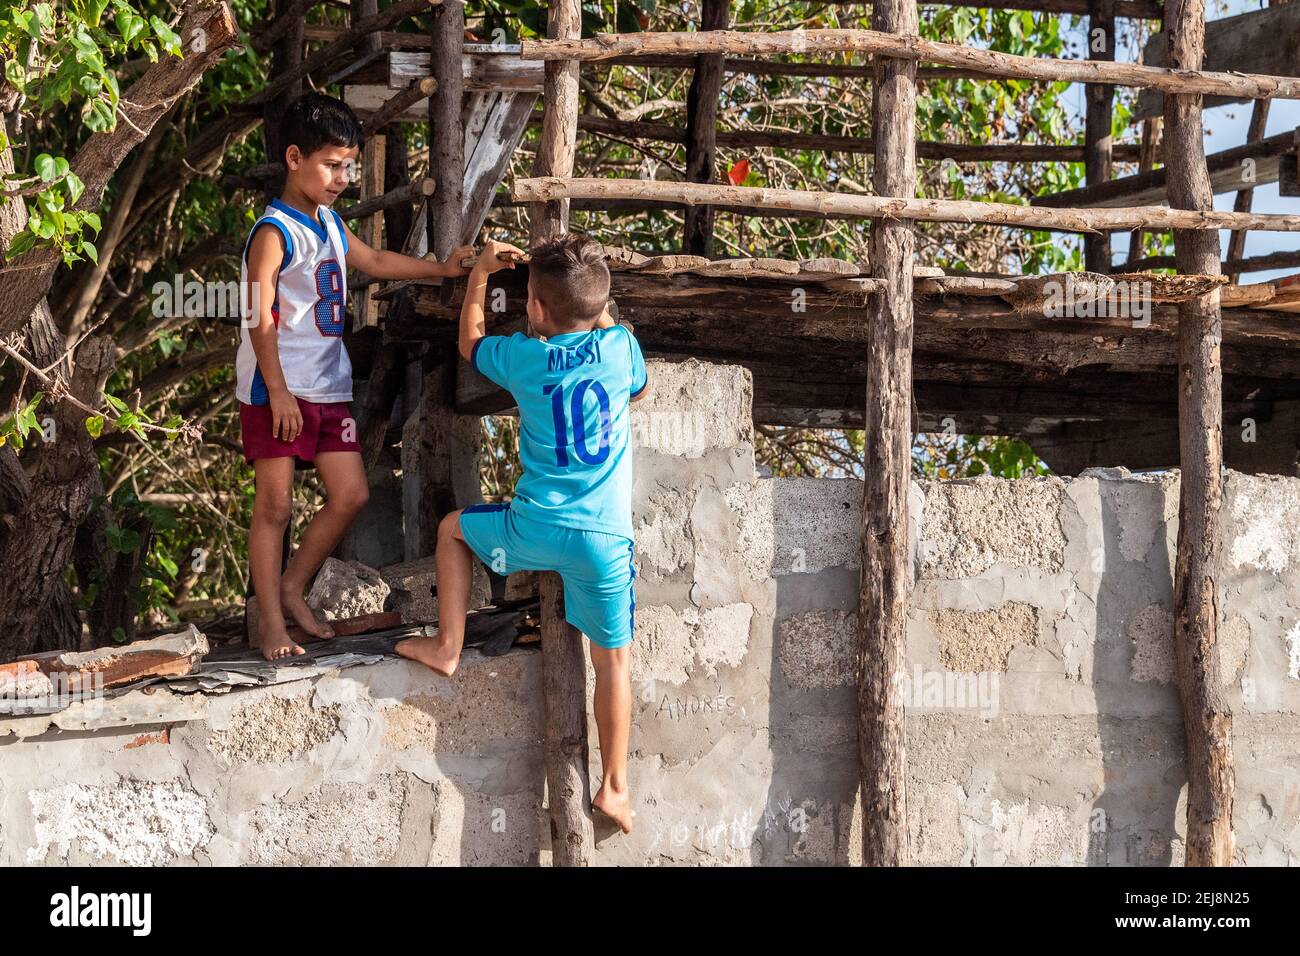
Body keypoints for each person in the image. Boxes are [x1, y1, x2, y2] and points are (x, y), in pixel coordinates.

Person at [395, 234, 648, 833]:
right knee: (613, 661)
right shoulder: (619, 349)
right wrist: (588, 290)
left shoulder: (524, 358)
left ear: (533, 309)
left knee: (453, 529)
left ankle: (447, 647)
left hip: (535, 530)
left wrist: (482, 273)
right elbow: (630, 373)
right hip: (604, 541)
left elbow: (469, 343)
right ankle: (614, 789)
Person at [237, 92, 472, 661]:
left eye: (349, 166)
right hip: (276, 391)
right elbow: (258, 318)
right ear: (294, 158)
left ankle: (293, 586)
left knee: (351, 494)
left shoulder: (331, 224)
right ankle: (270, 622)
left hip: (327, 389)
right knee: (274, 508)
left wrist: (442, 269)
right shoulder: (273, 233)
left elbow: (377, 263)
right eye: (331, 165)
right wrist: (280, 392)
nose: (343, 177)